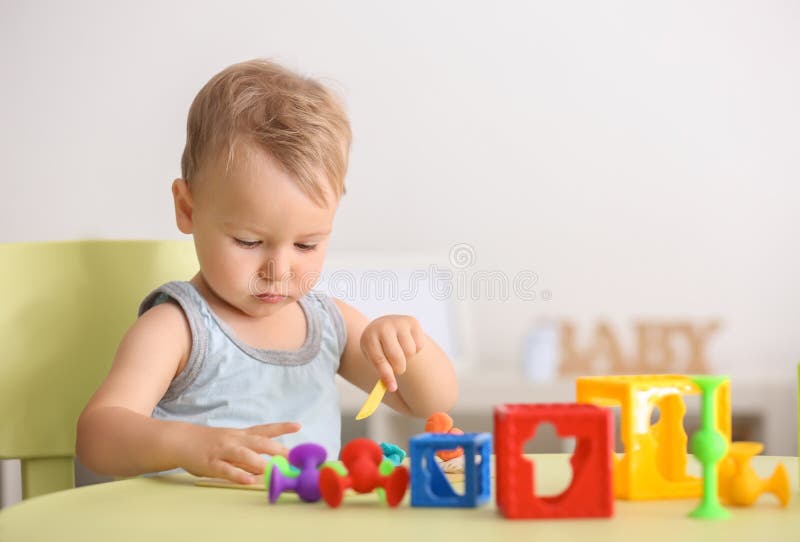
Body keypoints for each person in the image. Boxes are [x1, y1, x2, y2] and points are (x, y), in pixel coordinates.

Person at [76, 59, 458, 485]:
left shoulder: (327, 324)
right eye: (248, 242)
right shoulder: (177, 327)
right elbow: (98, 436)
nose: (278, 271)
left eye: (306, 245)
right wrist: (189, 444)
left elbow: (432, 401)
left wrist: (409, 345)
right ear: (187, 209)